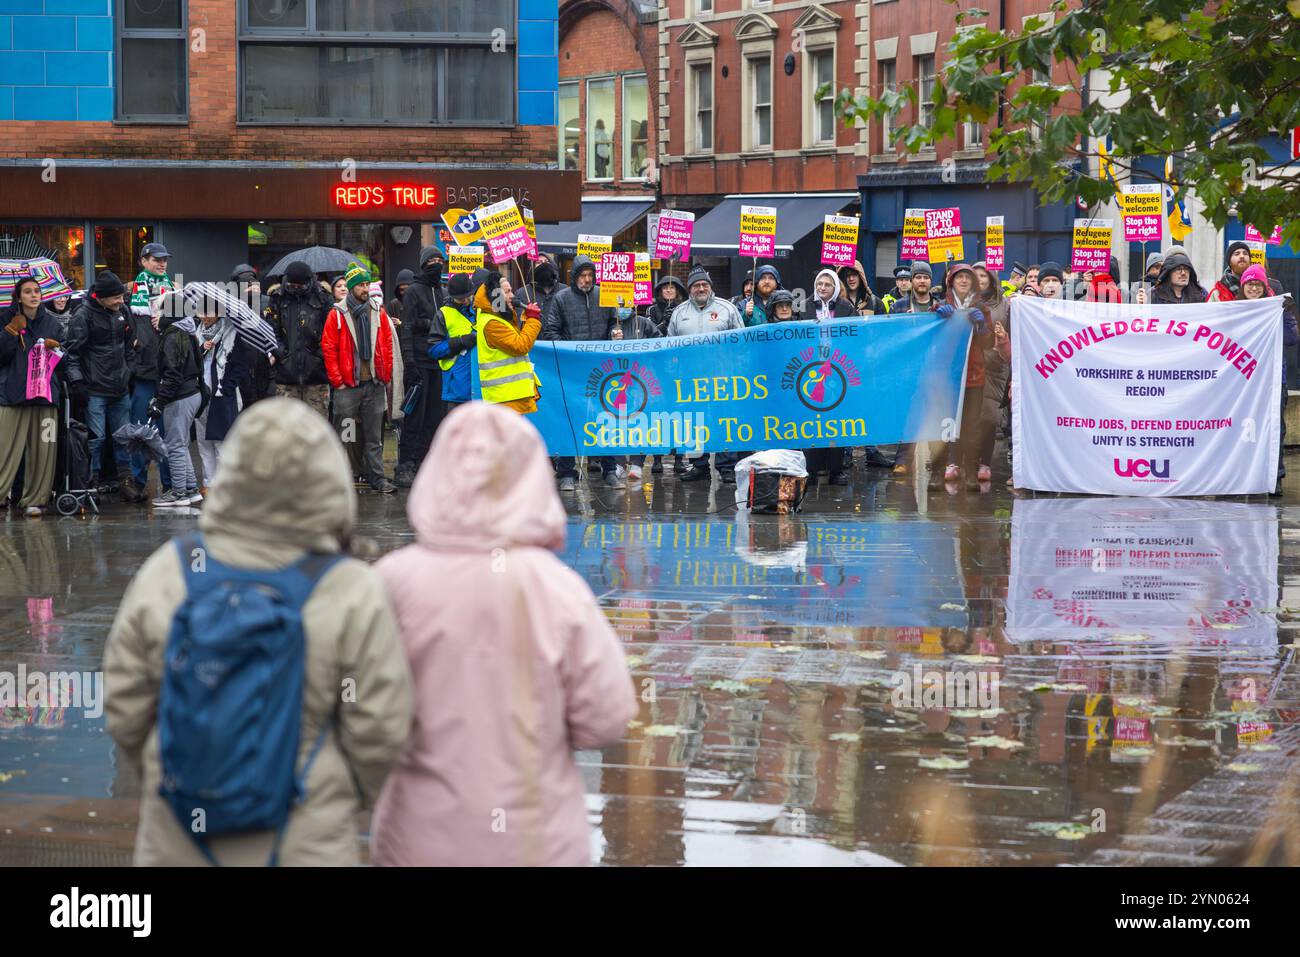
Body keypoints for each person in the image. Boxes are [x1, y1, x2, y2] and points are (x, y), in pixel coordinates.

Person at [103, 397, 414, 866]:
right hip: (304, 840)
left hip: (179, 836)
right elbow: (380, 729)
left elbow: (126, 706)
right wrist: (334, 792)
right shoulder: (351, 588)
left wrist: (169, 766)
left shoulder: (170, 571)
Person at [370, 402, 634, 866]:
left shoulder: (392, 582)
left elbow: (359, 717)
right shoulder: (558, 590)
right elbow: (605, 717)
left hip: (420, 838)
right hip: (537, 841)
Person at [64, 270, 147, 502]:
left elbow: (131, 345)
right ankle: (92, 483)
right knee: (96, 439)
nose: (121, 301)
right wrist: (78, 382)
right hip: (94, 389)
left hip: (120, 387)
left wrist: (129, 370)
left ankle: (126, 482)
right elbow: (73, 353)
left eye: (122, 296)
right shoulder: (83, 315)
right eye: (116, 298)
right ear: (101, 297)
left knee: (124, 437)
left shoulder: (123, 311)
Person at [542, 254, 621, 490]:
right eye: (582, 276)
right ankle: (567, 472)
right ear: (575, 277)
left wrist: (615, 332)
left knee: (606, 418)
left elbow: (613, 323)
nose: (586, 280)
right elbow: (551, 331)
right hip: (572, 370)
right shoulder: (561, 298)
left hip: (601, 368)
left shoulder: (604, 296)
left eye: (590, 276)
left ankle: (610, 470)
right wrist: (570, 353)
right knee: (570, 419)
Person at [322, 264, 398, 494]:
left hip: (373, 384)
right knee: (345, 435)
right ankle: (340, 478)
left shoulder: (378, 311)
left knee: (374, 437)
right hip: (348, 387)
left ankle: (377, 478)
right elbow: (329, 348)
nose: (366, 288)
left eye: (367, 284)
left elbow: (386, 344)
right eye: (362, 285)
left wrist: (384, 375)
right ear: (353, 287)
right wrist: (338, 382)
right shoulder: (337, 314)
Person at [666, 267, 745, 483]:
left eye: (704, 284)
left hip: (722, 377)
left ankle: (726, 466)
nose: (701, 288)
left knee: (723, 420)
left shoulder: (727, 309)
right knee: (693, 421)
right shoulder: (679, 313)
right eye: (696, 285)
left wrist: (737, 370)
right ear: (690, 289)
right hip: (689, 379)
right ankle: (699, 465)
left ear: (710, 287)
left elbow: (741, 344)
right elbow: (669, 346)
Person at [0, 277, 65, 516]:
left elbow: (64, 360)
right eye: (27, 292)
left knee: (43, 450)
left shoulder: (52, 323)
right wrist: (10, 332)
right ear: (18, 297)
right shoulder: (6, 319)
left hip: (45, 396)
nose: (34, 295)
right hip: (13, 394)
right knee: (4, 450)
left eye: (37, 291)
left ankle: (35, 499)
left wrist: (56, 350)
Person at [1238, 264, 1297, 493]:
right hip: (1243, 381)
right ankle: (1242, 477)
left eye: (1257, 284)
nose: (1253, 288)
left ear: (1264, 286)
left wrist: (1286, 314)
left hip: (1273, 379)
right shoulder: (1235, 308)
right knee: (1243, 428)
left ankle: (1275, 478)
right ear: (1243, 287)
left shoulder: (1278, 309)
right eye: (1249, 284)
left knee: (1275, 428)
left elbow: (1291, 339)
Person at [938, 263, 994, 490]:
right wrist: (937, 318)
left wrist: (981, 326)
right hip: (947, 377)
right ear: (951, 282)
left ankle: (970, 473)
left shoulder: (982, 308)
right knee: (944, 425)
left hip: (973, 377)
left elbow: (989, 343)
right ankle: (937, 472)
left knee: (971, 426)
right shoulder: (942, 306)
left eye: (967, 278)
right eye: (958, 277)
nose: (963, 281)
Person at [148, 290, 206, 508]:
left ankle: (179, 492)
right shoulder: (188, 331)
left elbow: (172, 373)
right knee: (180, 444)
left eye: (160, 308)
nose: (156, 312)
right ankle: (190, 488)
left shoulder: (173, 335)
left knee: (174, 445)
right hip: (192, 393)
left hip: (181, 395)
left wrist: (160, 402)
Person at [394, 246, 446, 487]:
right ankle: (405, 465)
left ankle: (426, 464)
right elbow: (407, 327)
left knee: (434, 419)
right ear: (424, 264)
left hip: (439, 363)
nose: (437, 264)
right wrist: (409, 362)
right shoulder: (414, 291)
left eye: (440, 260)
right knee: (414, 417)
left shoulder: (442, 291)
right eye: (432, 260)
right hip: (419, 362)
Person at [191, 296, 248, 492]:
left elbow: (240, 365)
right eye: (201, 313)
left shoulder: (232, 333)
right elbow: (190, 362)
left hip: (221, 394)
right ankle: (208, 482)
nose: (204, 317)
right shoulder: (195, 333)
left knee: (222, 441)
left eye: (209, 313)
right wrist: (201, 350)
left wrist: (227, 388)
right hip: (200, 394)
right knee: (203, 440)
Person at [267, 260, 333, 419]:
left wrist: (319, 355)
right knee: (287, 431)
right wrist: (282, 354)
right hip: (286, 377)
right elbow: (271, 331)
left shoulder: (323, 298)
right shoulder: (278, 298)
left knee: (317, 430)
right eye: (292, 285)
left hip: (316, 376)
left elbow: (330, 332)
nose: (295, 289)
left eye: (299, 286)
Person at [475, 272, 543, 415]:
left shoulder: (496, 317)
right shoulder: (492, 323)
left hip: (509, 396)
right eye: (507, 292)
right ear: (496, 295)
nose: (512, 295)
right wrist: (533, 320)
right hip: (505, 398)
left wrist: (526, 318)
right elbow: (520, 345)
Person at [428, 272, 477, 418]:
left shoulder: (479, 311)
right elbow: (433, 350)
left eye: (467, 296)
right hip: (457, 390)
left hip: (480, 386)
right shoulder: (443, 314)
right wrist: (460, 342)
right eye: (461, 298)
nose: (465, 301)